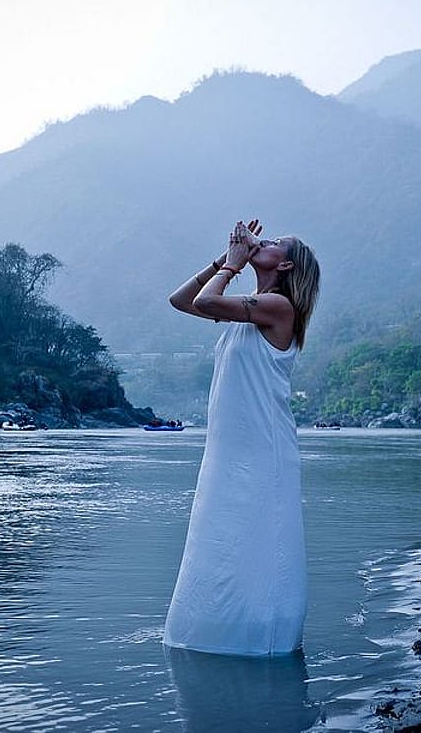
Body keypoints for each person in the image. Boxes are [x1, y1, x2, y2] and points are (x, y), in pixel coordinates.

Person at [163, 219, 321, 656]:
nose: (261, 242)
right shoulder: (247, 309)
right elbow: (182, 301)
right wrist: (223, 259)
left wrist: (233, 264)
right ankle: (216, 633)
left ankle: (262, 638)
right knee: (220, 536)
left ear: (286, 264)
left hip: (263, 450)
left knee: (259, 540)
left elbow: (206, 299)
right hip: (231, 451)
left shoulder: (278, 307)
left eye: (272, 243)